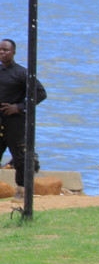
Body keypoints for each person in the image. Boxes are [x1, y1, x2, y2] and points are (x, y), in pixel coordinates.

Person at [0, 38, 46, 200]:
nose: (2, 52)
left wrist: (19, 107)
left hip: (15, 122)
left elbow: (40, 93)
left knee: (20, 157)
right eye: (0, 49)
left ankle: (21, 190)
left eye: (6, 50)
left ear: (13, 52)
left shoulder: (21, 73)